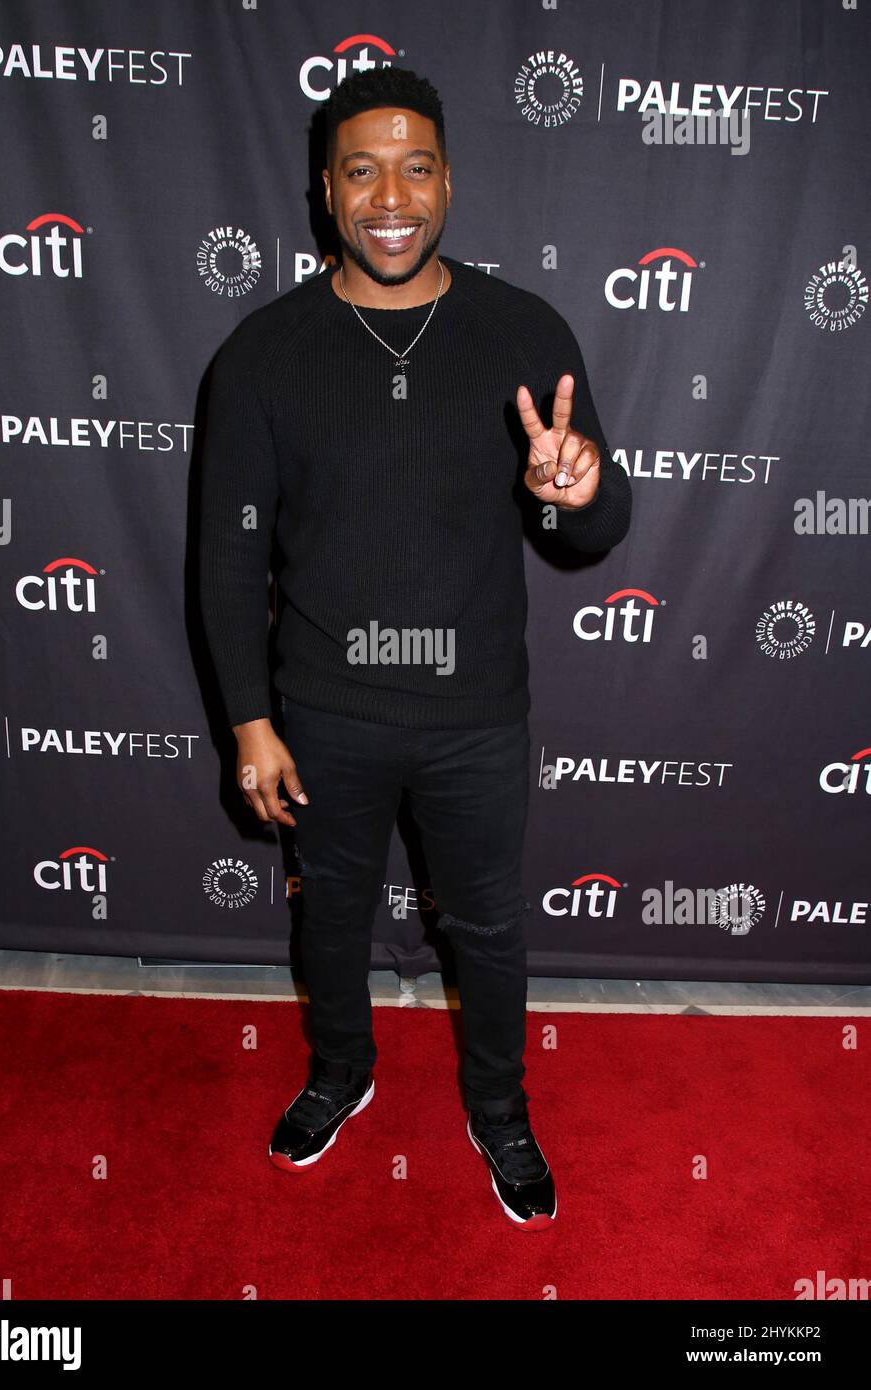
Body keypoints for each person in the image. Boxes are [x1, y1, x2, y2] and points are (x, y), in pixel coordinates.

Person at [199, 67, 632, 1231]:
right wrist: (250, 720)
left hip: (476, 713)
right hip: (324, 714)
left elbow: (593, 522)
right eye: (361, 168)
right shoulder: (262, 355)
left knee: (485, 926)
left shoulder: (520, 329)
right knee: (327, 916)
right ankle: (340, 1071)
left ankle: (498, 1111)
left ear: (447, 180)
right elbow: (230, 561)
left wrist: (576, 492)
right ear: (323, 190)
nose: (391, 194)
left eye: (416, 165)